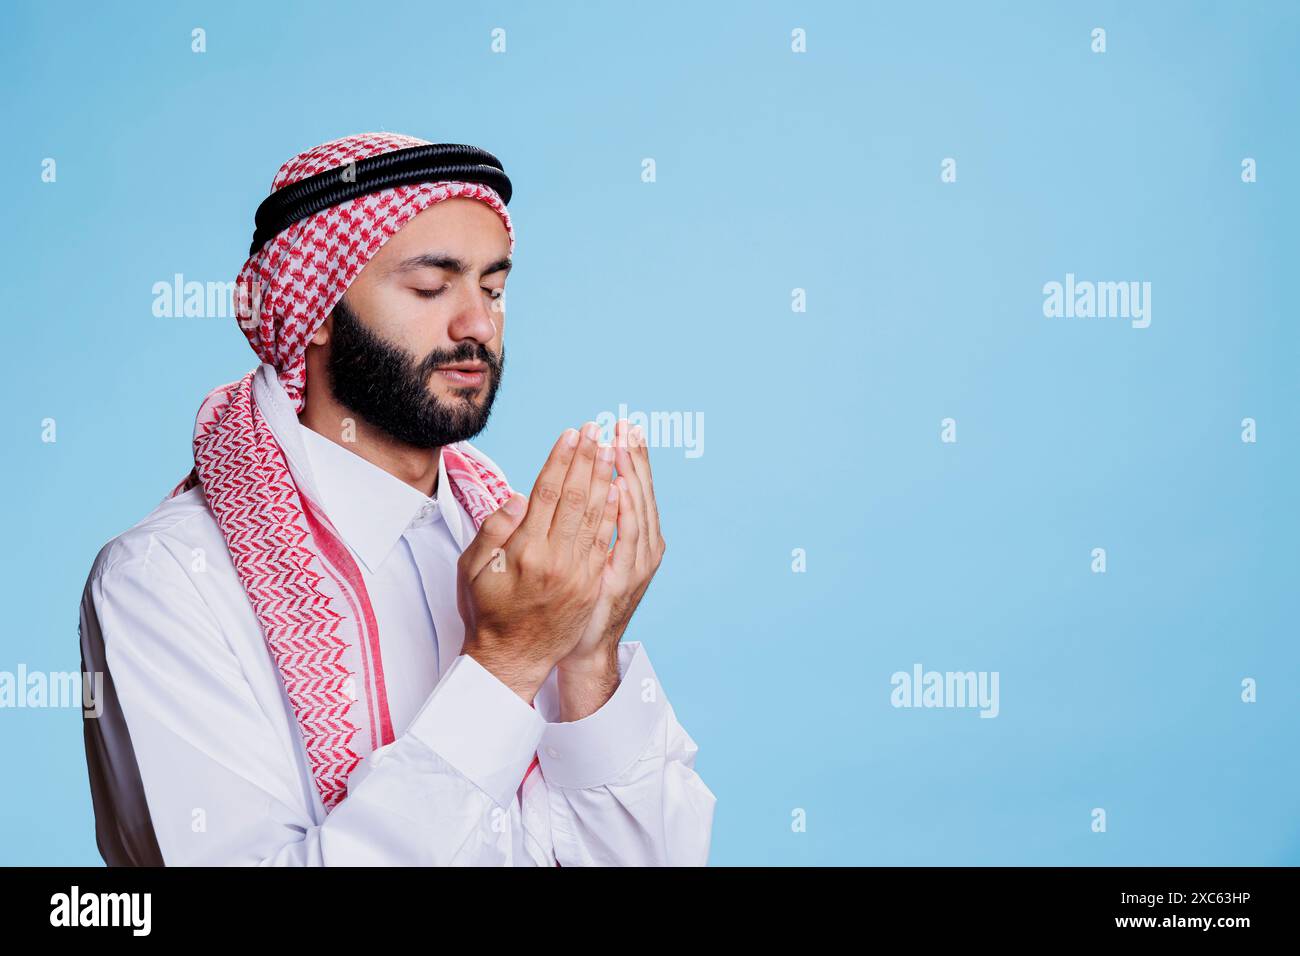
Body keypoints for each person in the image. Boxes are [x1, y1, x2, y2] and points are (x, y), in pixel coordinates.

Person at [78, 132, 716, 866]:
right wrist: (505, 667)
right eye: (430, 287)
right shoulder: (164, 580)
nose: (478, 324)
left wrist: (587, 658)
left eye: (493, 288)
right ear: (311, 306)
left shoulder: (524, 558)